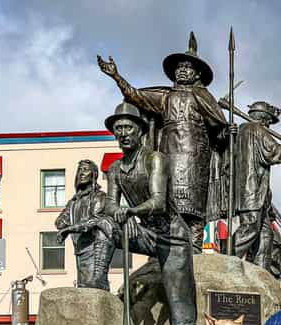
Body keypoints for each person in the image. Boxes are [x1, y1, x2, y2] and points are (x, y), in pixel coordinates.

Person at [97, 32, 228, 253]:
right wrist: (116, 76)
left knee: (194, 210)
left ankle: (194, 251)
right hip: (169, 156)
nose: (182, 70)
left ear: (197, 74)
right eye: (179, 67)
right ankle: (170, 250)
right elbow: (136, 96)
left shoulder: (204, 97)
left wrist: (228, 132)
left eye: (187, 67)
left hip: (196, 160)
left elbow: (219, 129)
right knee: (169, 204)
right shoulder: (166, 97)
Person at [102, 101, 198, 325]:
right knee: (103, 227)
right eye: (118, 129)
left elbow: (157, 201)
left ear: (140, 131)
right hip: (145, 233)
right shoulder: (115, 169)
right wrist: (119, 216)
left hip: (171, 234)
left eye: (128, 128)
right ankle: (97, 282)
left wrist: (130, 213)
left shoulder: (155, 159)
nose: (123, 134)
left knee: (176, 285)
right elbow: (110, 205)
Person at [233, 101, 281, 271]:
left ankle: (260, 274)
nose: (269, 124)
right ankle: (225, 259)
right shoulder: (257, 130)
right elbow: (274, 153)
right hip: (252, 191)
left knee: (266, 234)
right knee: (249, 228)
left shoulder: (242, 131)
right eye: (269, 121)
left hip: (259, 195)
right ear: (264, 119)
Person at [55, 160, 115, 290]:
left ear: (93, 174)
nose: (81, 173)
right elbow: (60, 222)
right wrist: (63, 224)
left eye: (85, 170)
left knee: (95, 287)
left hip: (94, 248)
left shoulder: (99, 196)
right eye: (80, 170)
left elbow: (94, 221)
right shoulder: (73, 202)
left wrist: (68, 229)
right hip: (80, 250)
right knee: (84, 289)